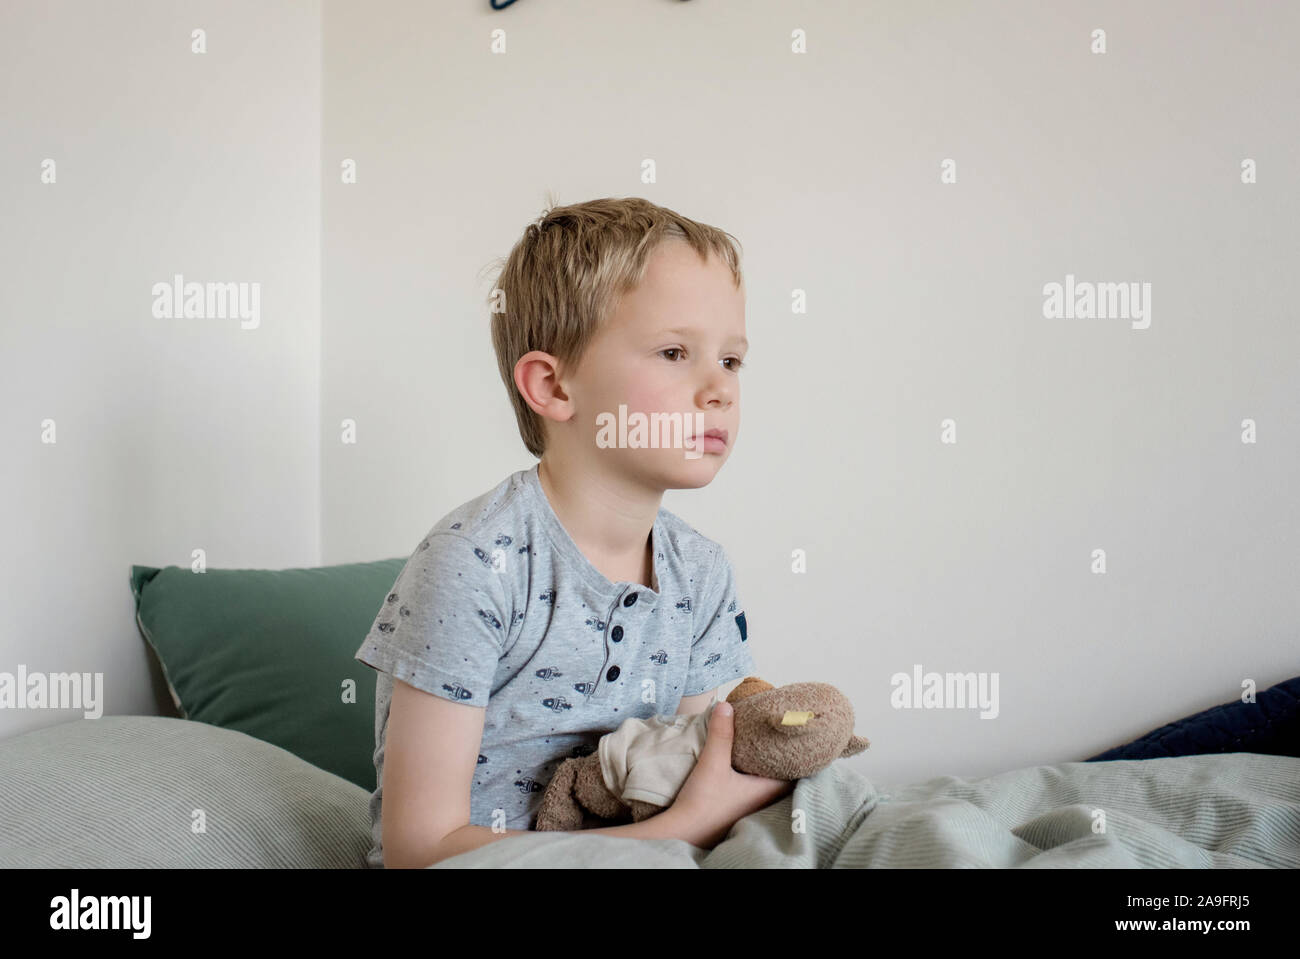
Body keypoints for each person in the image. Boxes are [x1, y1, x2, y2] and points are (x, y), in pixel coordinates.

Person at [354, 196, 792, 868]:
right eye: (675, 351)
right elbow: (418, 850)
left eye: (731, 360)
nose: (720, 389)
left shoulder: (700, 573)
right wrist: (687, 826)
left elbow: (704, 761)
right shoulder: (474, 564)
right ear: (554, 387)